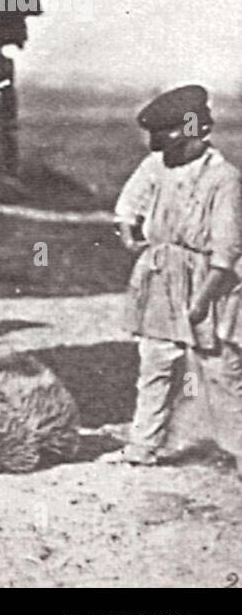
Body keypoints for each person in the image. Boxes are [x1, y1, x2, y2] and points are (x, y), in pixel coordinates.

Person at [104, 85, 242, 467]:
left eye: (172, 142)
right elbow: (130, 203)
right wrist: (131, 234)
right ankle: (143, 447)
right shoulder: (158, 165)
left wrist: (201, 302)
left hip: (208, 282)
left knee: (219, 368)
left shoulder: (224, 179)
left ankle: (238, 451)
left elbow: (226, 252)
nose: (164, 152)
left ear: (195, 134)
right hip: (162, 274)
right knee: (156, 361)